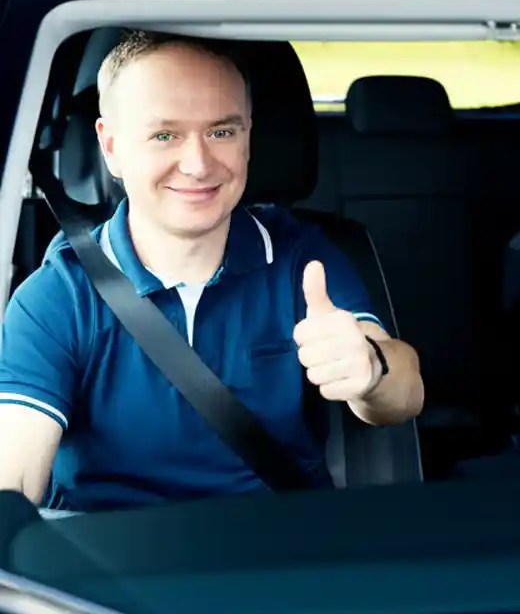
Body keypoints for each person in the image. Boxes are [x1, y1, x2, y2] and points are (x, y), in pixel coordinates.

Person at [0, 30, 425, 511]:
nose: (198, 164)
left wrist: (370, 368)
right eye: (165, 135)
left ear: (248, 136)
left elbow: (405, 391)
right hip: (102, 571)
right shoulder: (60, 294)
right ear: (112, 147)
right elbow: (13, 473)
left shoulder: (301, 259)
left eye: (222, 131)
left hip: (277, 552)